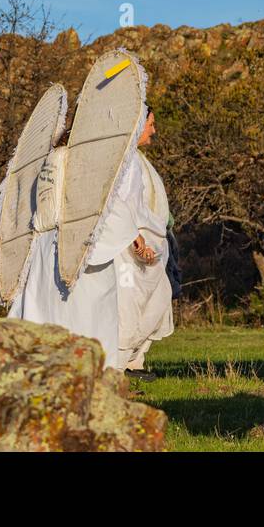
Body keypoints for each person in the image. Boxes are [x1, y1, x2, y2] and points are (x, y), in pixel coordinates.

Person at [12, 112, 153, 371]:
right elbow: (102, 200)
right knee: (87, 313)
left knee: (49, 311)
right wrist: (133, 233)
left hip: (45, 249)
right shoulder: (83, 161)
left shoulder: (51, 158)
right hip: (77, 246)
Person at [116, 109, 175, 380]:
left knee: (159, 297)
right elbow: (123, 204)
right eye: (150, 124)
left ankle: (133, 361)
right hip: (128, 249)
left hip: (151, 245)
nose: (154, 130)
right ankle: (119, 363)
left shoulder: (138, 160)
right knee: (128, 304)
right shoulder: (124, 161)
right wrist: (136, 239)